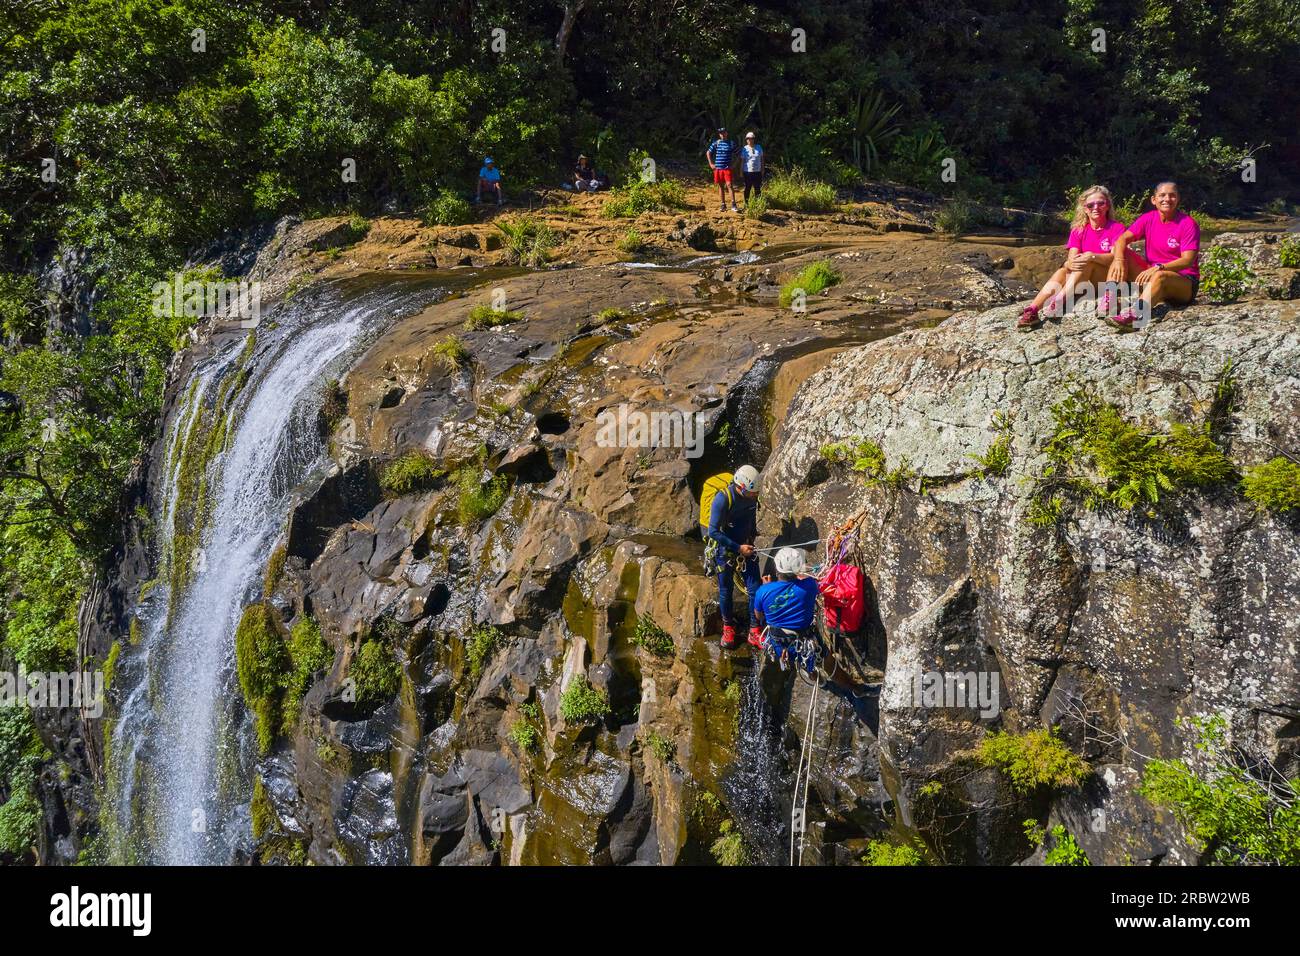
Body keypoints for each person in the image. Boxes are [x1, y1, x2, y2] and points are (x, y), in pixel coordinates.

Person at [1016, 185, 1127, 331]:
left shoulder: (1117, 228)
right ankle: (1033, 310)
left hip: (1105, 280)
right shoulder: (1079, 230)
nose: (1096, 207)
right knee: (1063, 271)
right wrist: (1071, 263)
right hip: (1081, 281)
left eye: (1101, 203)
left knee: (1087, 261)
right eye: (1090, 205)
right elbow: (1070, 261)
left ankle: (1061, 299)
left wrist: (1092, 256)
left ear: (1107, 206)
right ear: (1085, 209)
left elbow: (1116, 258)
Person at [1105, 181, 1201, 331]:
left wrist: (1159, 267)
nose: (1167, 199)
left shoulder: (1188, 224)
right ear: (1153, 200)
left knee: (1161, 276)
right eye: (1162, 195)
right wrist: (1118, 260)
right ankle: (1110, 298)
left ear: (1178, 199)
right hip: (1154, 276)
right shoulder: (1148, 218)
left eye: (1172, 195)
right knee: (1123, 253)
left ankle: (1135, 316)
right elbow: (1122, 239)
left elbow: (1188, 261)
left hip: (1183, 283)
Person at [707, 464, 761, 648]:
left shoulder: (751, 497)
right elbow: (713, 532)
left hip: (747, 547)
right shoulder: (723, 499)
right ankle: (728, 627)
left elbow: (751, 518)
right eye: (753, 493)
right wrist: (738, 548)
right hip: (727, 551)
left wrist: (752, 537)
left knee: (755, 589)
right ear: (742, 487)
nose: (756, 496)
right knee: (726, 591)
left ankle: (754, 630)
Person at [753, 547, 821, 672]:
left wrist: (767, 588)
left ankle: (809, 674)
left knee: (798, 664)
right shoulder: (810, 585)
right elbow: (810, 585)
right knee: (820, 661)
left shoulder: (762, 591)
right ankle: (852, 688)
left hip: (778, 643)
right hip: (804, 640)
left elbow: (759, 617)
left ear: (777, 568)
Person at [706, 127, 739, 213]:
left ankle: (733, 204)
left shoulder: (731, 143)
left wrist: (734, 164)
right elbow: (708, 152)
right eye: (721, 133)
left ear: (727, 133)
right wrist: (711, 164)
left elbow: (739, 154)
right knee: (721, 186)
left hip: (727, 168)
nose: (722, 134)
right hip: (718, 168)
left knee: (729, 185)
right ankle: (723, 204)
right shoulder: (716, 143)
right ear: (719, 134)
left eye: (724, 132)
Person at [740, 132, 764, 206]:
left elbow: (762, 159)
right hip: (747, 171)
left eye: (752, 138)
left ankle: (757, 204)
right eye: (748, 139)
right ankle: (746, 204)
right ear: (746, 140)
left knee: (757, 188)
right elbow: (742, 161)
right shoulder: (744, 148)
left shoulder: (759, 147)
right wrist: (740, 171)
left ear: (754, 139)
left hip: (757, 171)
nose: (750, 140)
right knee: (748, 187)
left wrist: (762, 169)